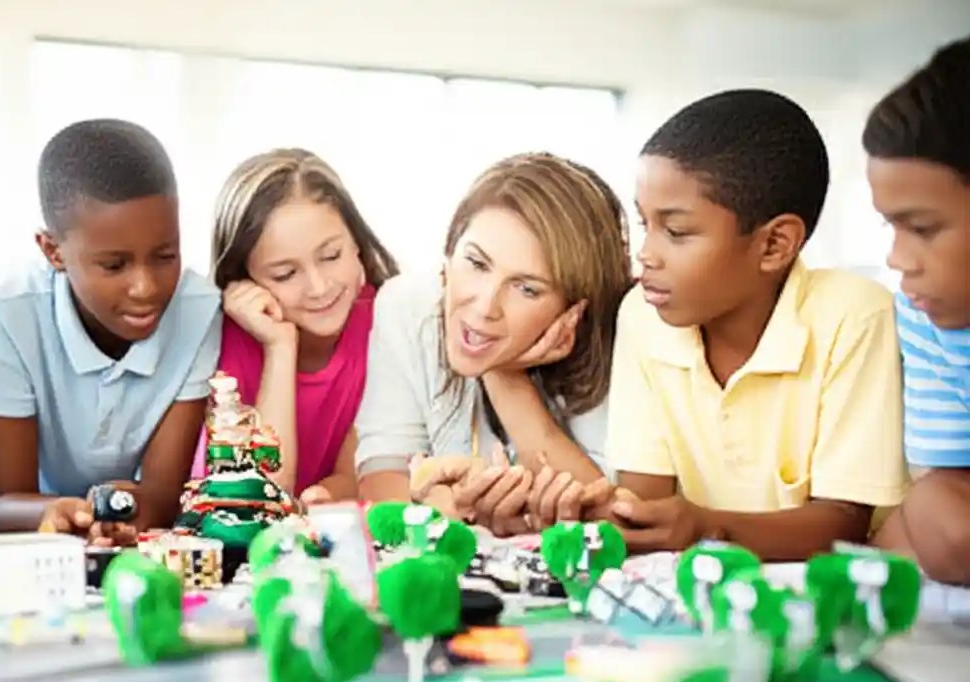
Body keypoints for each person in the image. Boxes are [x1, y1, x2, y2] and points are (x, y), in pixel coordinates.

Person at [602, 89, 908, 560]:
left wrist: (704, 528)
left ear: (774, 245)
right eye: (646, 225)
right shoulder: (643, 315)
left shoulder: (854, 315)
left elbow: (844, 523)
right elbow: (644, 503)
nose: (647, 254)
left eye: (677, 232)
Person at [0, 119, 220, 544]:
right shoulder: (4, 307)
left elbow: (161, 497)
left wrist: (124, 510)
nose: (146, 287)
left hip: (73, 505)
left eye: (165, 255)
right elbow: (4, 503)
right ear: (52, 251)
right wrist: (58, 509)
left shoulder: (199, 310)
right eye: (114, 265)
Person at [355, 152, 633, 536]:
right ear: (449, 254)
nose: (485, 306)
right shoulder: (406, 305)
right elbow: (382, 470)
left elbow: (613, 514)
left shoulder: (617, 338)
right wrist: (452, 514)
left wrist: (506, 377)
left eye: (527, 288)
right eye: (477, 264)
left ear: (574, 309)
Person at [201, 148, 398, 504]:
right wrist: (279, 348)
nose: (319, 287)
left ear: (357, 242)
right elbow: (260, 497)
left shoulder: (387, 323)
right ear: (245, 280)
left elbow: (362, 471)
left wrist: (325, 497)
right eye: (285, 274)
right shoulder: (226, 343)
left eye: (331, 256)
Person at [866, 38, 970, 586]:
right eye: (892, 226)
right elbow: (941, 501)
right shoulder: (926, 317)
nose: (897, 260)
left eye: (923, 229)